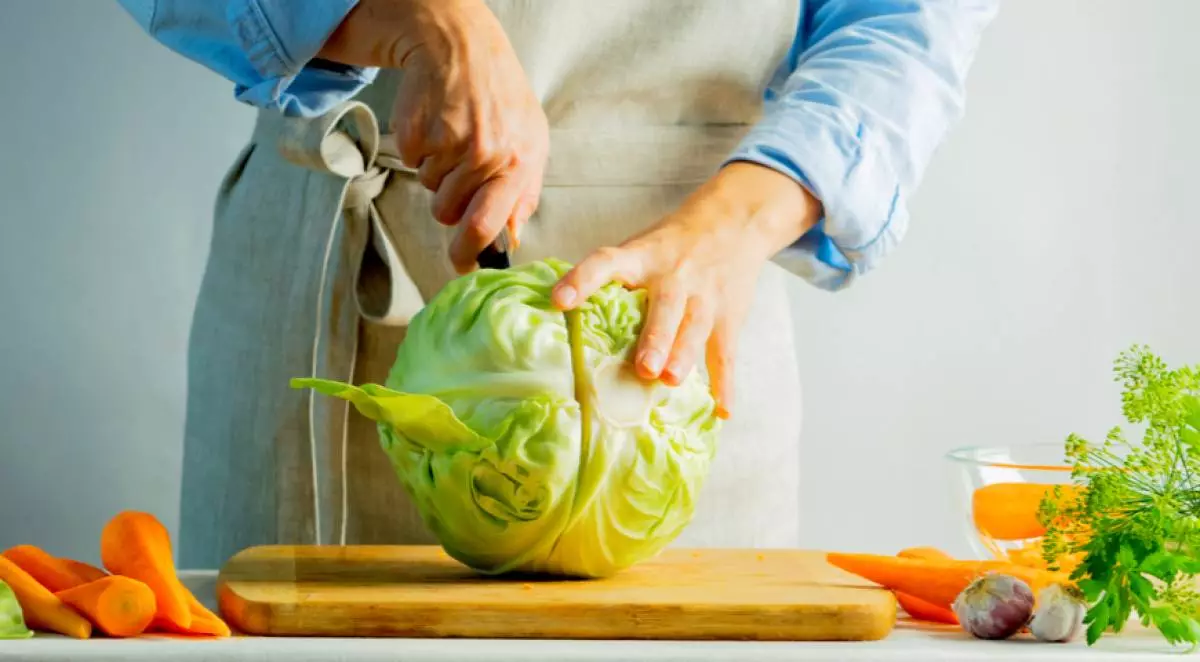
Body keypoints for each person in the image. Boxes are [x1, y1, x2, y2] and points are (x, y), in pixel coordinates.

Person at [117, 0, 998, 569]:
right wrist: (420, 15)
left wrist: (741, 220)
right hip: (335, 264)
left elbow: (910, 21)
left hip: (692, 312)